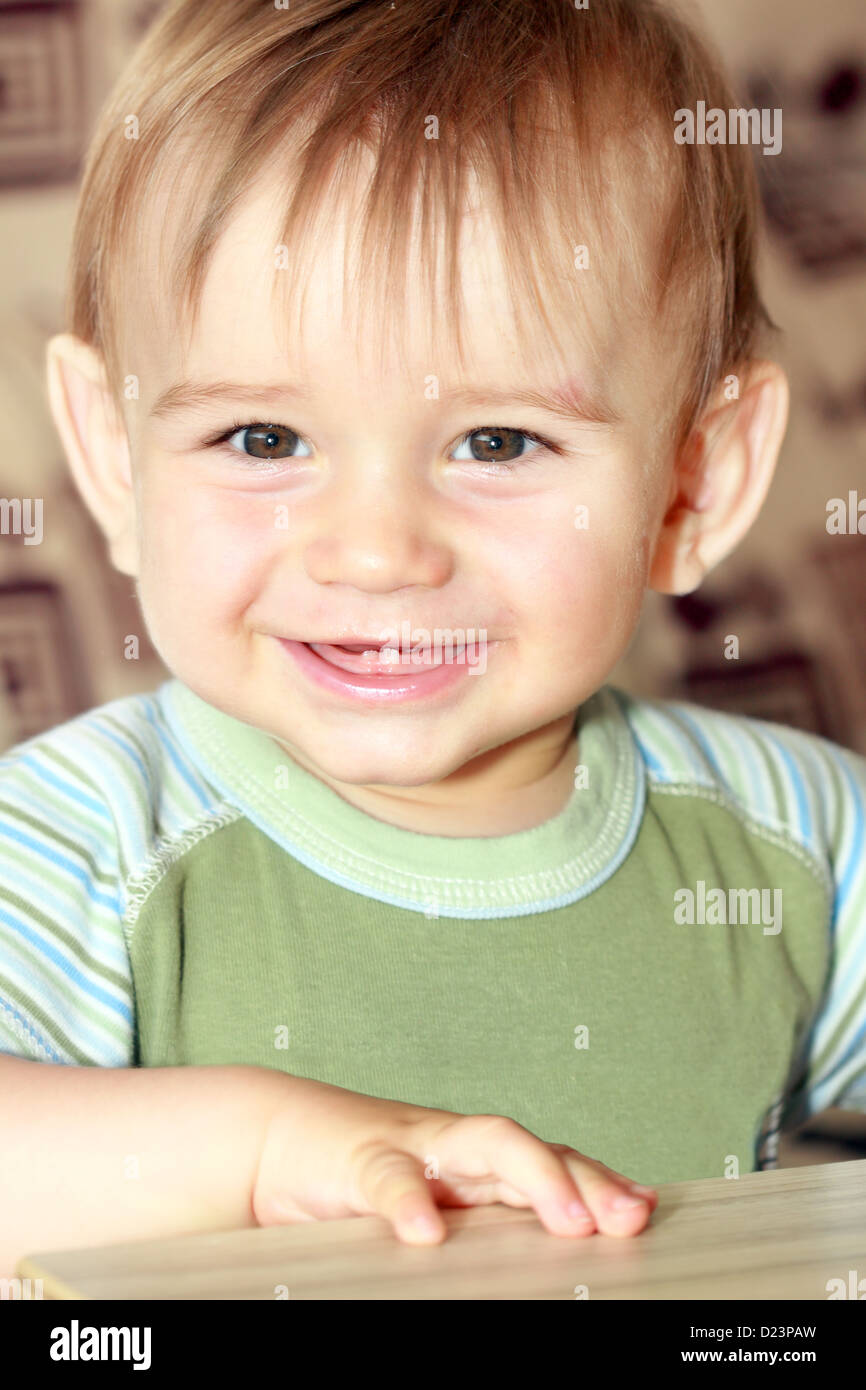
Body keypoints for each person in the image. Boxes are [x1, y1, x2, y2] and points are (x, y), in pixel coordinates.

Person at [1, 0, 863, 1275]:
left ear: (689, 485)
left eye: (496, 442)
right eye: (263, 440)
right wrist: (257, 1155)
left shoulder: (792, 842)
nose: (373, 550)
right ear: (115, 464)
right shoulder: (77, 842)